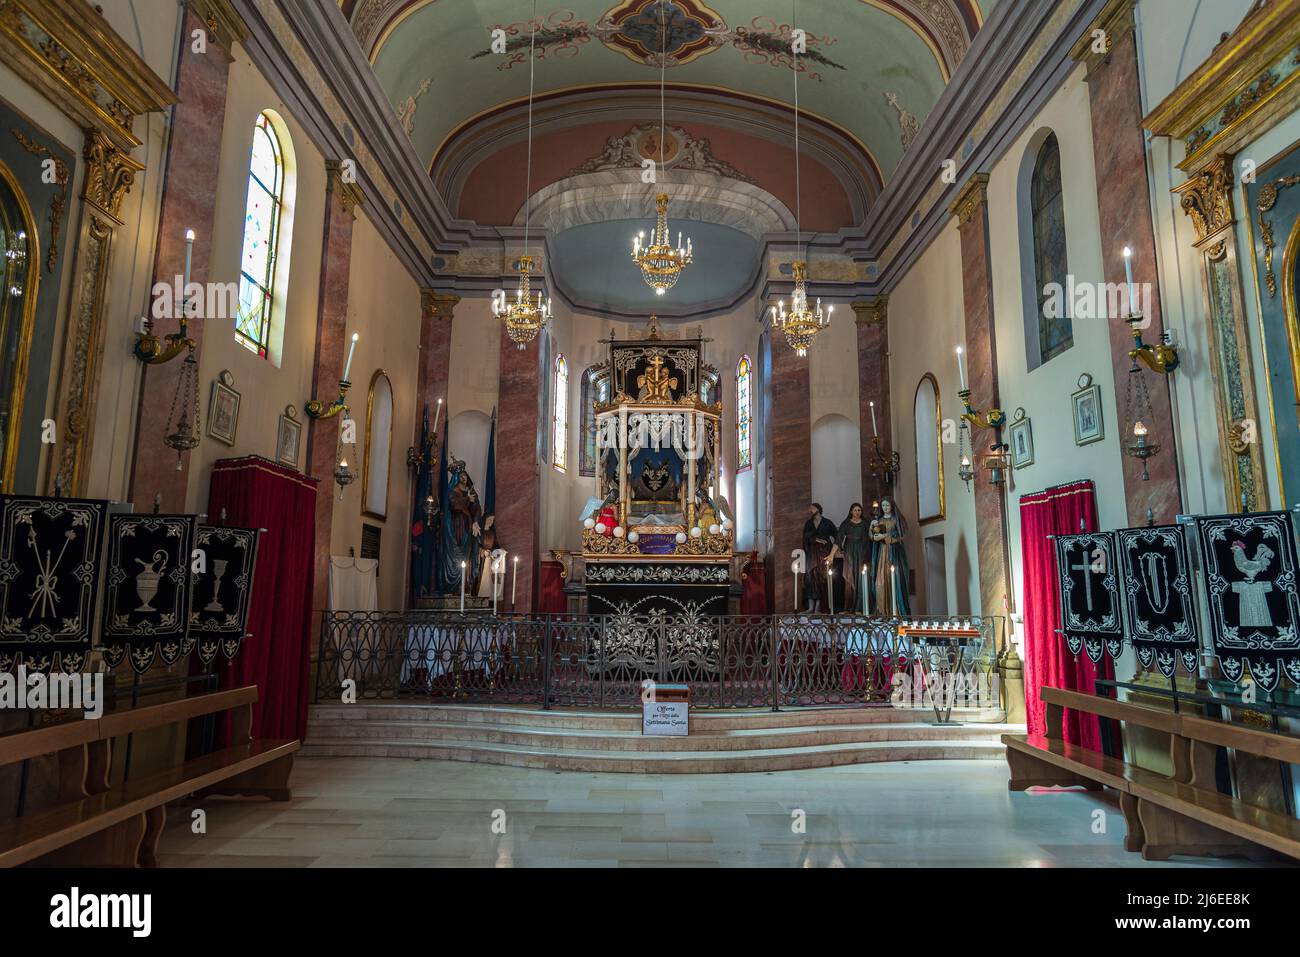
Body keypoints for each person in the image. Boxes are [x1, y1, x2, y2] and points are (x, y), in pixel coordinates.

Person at [869, 497, 911, 616]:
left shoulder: (897, 519)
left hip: (893, 553)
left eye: (887, 505)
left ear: (892, 506)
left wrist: (886, 536)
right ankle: (882, 612)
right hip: (881, 554)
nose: (885, 508)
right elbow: (873, 536)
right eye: (883, 506)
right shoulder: (879, 520)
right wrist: (872, 530)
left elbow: (901, 534)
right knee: (879, 583)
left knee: (894, 581)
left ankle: (896, 613)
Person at [831, 503, 870, 614]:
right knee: (849, 578)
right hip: (850, 553)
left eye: (859, 510)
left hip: (862, 553)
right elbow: (838, 540)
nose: (857, 512)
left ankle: (860, 607)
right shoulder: (846, 524)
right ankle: (848, 607)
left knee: (861, 578)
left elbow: (872, 536)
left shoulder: (865, 524)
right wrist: (831, 554)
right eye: (855, 510)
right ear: (851, 511)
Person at [802, 503, 838, 612]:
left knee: (821, 579)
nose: (810, 510)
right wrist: (816, 540)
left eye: (812, 508)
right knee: (810, 578)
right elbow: (805, 537)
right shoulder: (809, 523)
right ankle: (810, 606)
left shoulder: (827, 522)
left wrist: (834, 551)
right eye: (810, 508)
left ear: (818, 509)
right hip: (812, 555)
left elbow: (837, 535)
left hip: (824, 554)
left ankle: (819, 606)